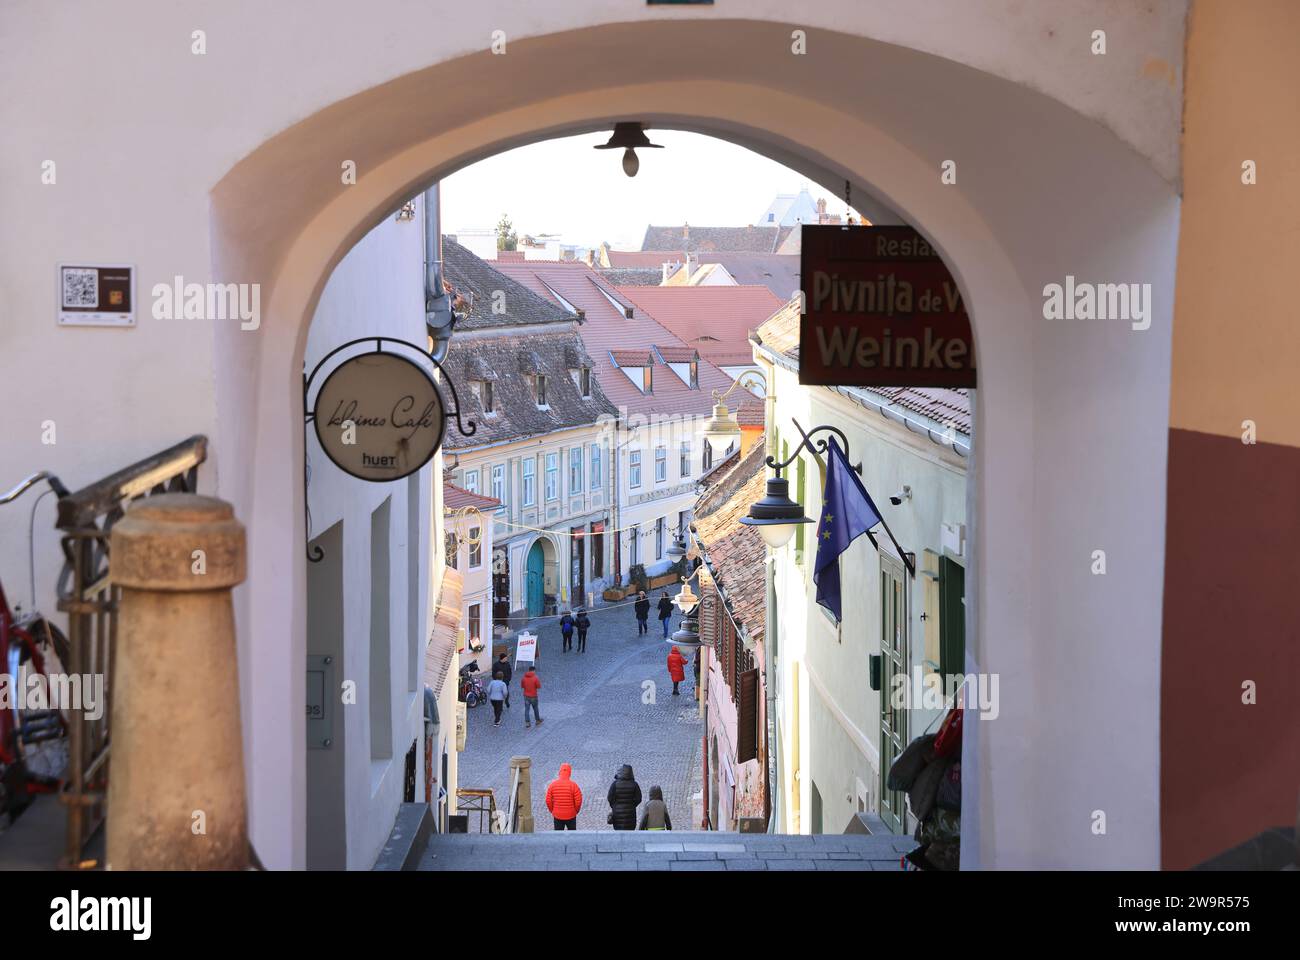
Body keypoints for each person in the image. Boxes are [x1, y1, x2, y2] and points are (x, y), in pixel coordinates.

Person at [545, 762, 583, 830]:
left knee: (558, 836)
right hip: (571, 815)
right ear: (569, 773)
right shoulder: (573, 785)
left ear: (559, 772)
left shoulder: (552, 785)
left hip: (557, 815)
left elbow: (548, 801)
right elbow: (578, 801)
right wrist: (575, 811)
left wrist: (553, 811)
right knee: (572, 834)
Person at [607, 764, 642, 831]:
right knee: (630, 833)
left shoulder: (615, 784)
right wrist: (632, 805)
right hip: (630, 815)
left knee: (618, 833)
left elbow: (610, 797)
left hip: (617, 816)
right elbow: (639, 799)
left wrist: (614, 806)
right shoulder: (634, 784)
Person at [520, 664, 543, 728]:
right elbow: (539, 686)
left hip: (526, 696)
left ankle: (527, 723)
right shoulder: (535, 678)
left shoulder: (524, 678)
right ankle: (537, 720)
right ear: (533, 671)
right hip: (533, 696)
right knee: (535, 708)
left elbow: (522, 686)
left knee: (527, 709)